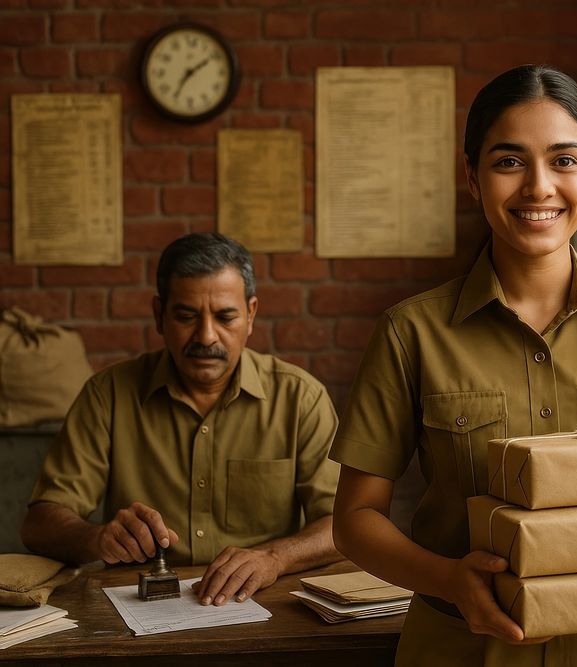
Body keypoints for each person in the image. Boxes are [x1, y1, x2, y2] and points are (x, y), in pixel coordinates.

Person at [330, 65, 577, 667]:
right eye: (509, 162)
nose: (539, 187)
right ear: (472, 178)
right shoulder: (410, 333)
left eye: (564, 161)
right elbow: (355, 520)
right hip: (461, 647)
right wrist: (448, 579)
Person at [21, 232, 342, 606]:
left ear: (251, 315)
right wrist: (97, 538)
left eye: (225, 316)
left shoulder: (300, 399)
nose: (206, 336)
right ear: (159, 315)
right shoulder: (108, 394)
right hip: (138, 609)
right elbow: (40, 523)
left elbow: (345, 526)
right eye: (186, 316)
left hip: (264, 605)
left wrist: (274, 557)